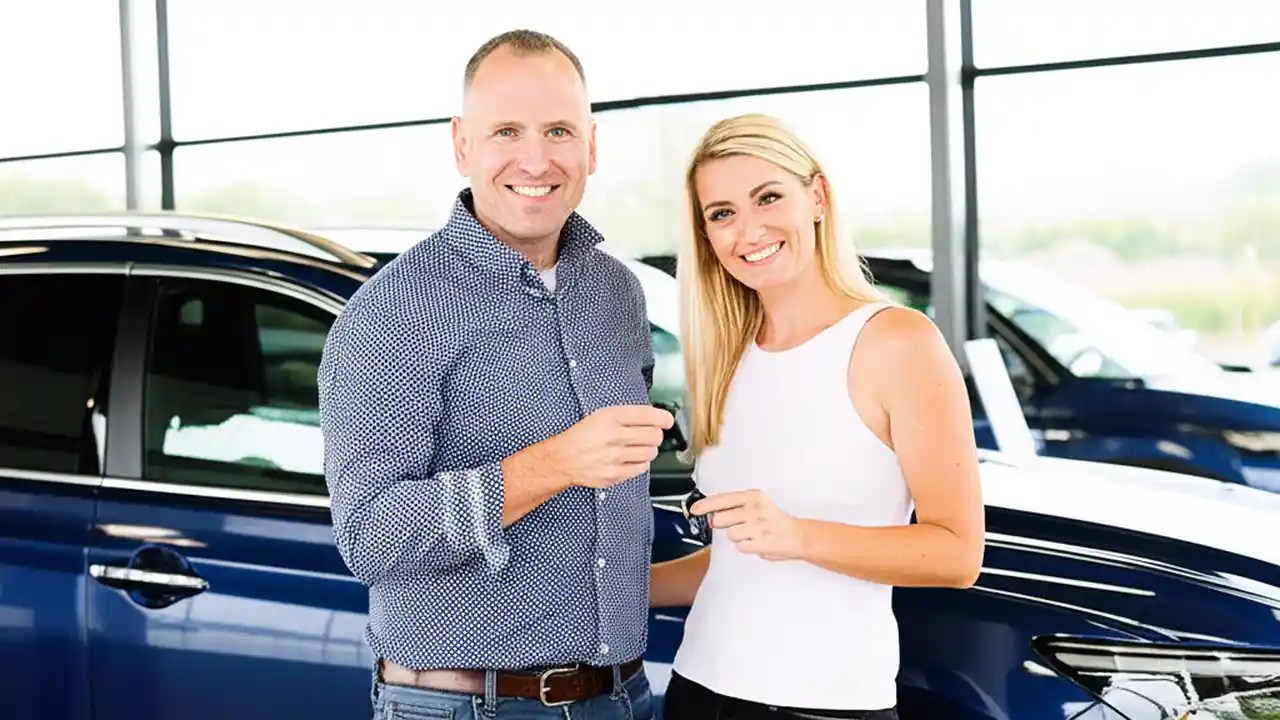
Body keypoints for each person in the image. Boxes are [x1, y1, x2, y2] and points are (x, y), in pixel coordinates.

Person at [318, 29, 672, 720]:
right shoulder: (392, 313)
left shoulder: (618, 295)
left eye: (559, 131)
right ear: (462, 145)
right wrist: (555, 463)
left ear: (591, 146)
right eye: (507, 130)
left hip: (622, 698)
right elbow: (369, 539)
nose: (535, 159)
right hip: (466, 707)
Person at [649, 114, 986, 719]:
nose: (747, 229)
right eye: (721, 213)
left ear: (818, 197)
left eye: (768, 197)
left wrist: (800, 535)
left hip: (822, 705)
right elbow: (738, 560)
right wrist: (614, 592)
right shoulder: (730, 352)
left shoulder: (897, 342)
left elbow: (957, 554)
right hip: (699, 691)